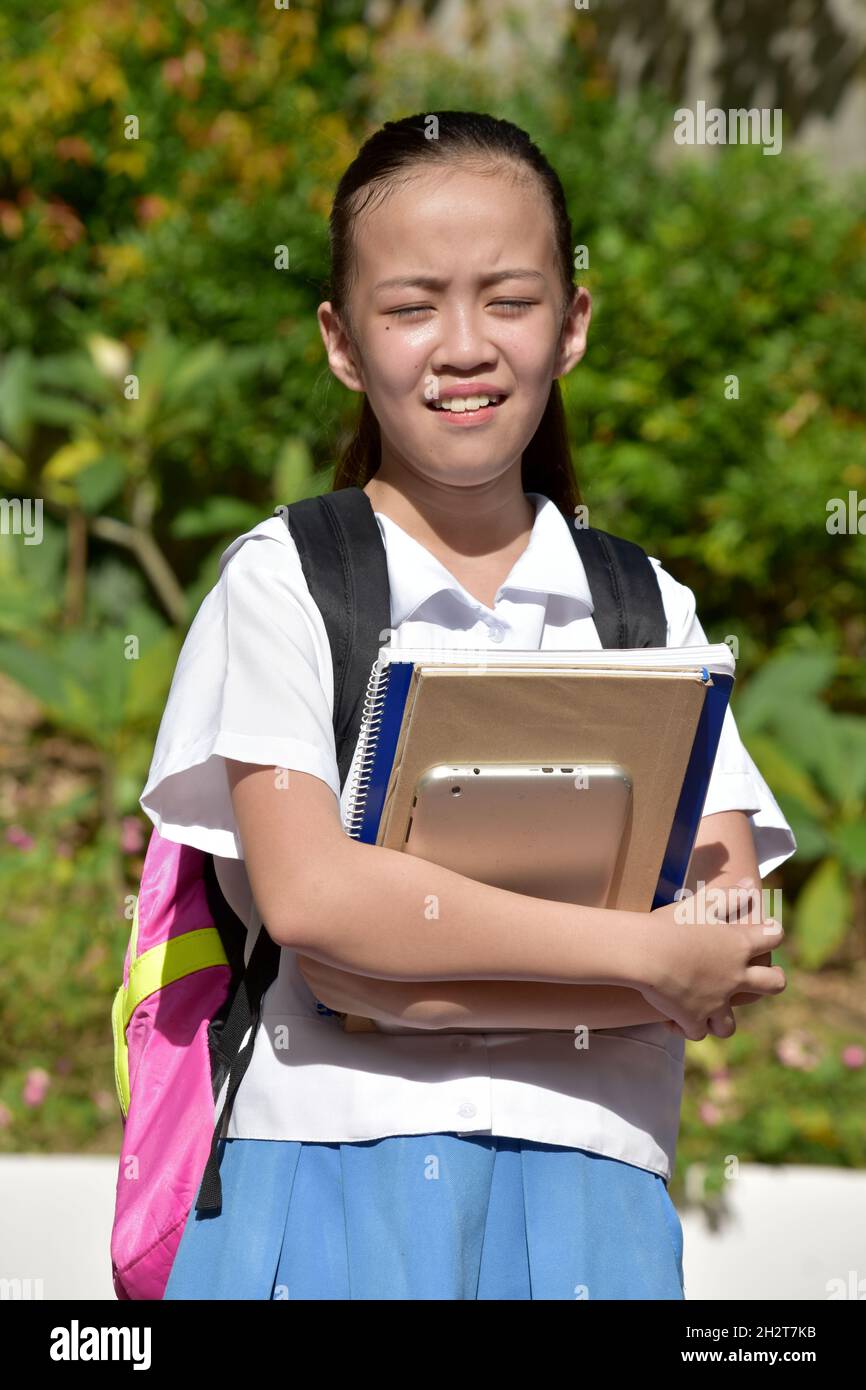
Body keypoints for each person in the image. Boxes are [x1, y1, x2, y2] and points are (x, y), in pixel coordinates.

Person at [141, 111, 795, 1300]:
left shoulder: (645, 605)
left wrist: (395, 982)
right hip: (324, 1175)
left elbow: (726, 933)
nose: (462, 346)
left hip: (596, 1194)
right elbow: (313, 900)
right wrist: (633, 961)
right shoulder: (287, 580)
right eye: (409, 306)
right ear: (341, 341)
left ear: (572, 324)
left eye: (507, 299)